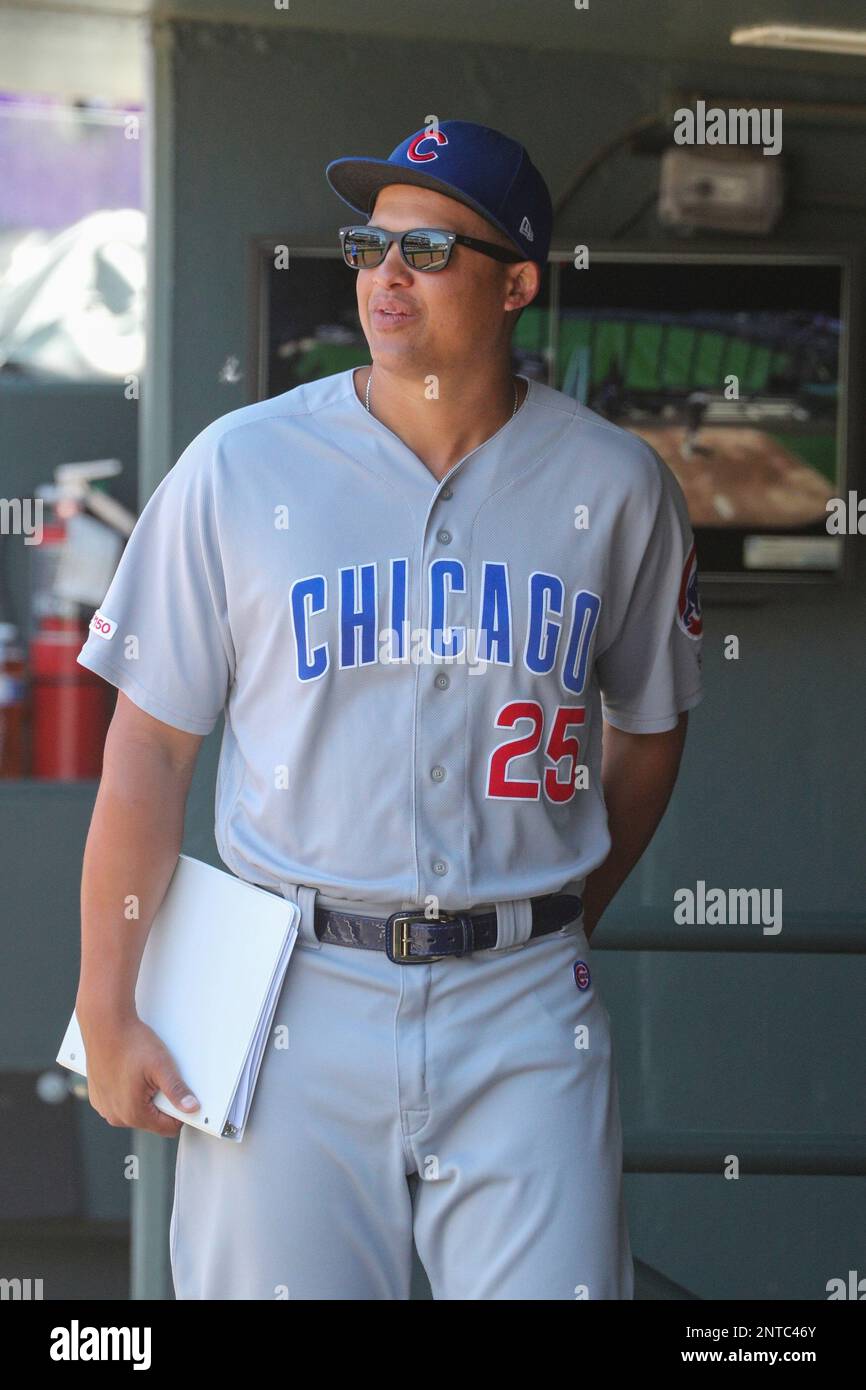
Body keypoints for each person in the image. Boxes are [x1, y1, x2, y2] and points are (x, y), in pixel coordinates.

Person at [74, 120, 704, 1300]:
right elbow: (149, 750)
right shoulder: (238, 464)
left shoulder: (615, 485)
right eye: (368, 246)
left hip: (522, 1008)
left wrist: (562, 912)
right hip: (286, 983)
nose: (383, 274)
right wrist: (106, 1001)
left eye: (424, 250)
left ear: (515, 281)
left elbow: (651, 726)